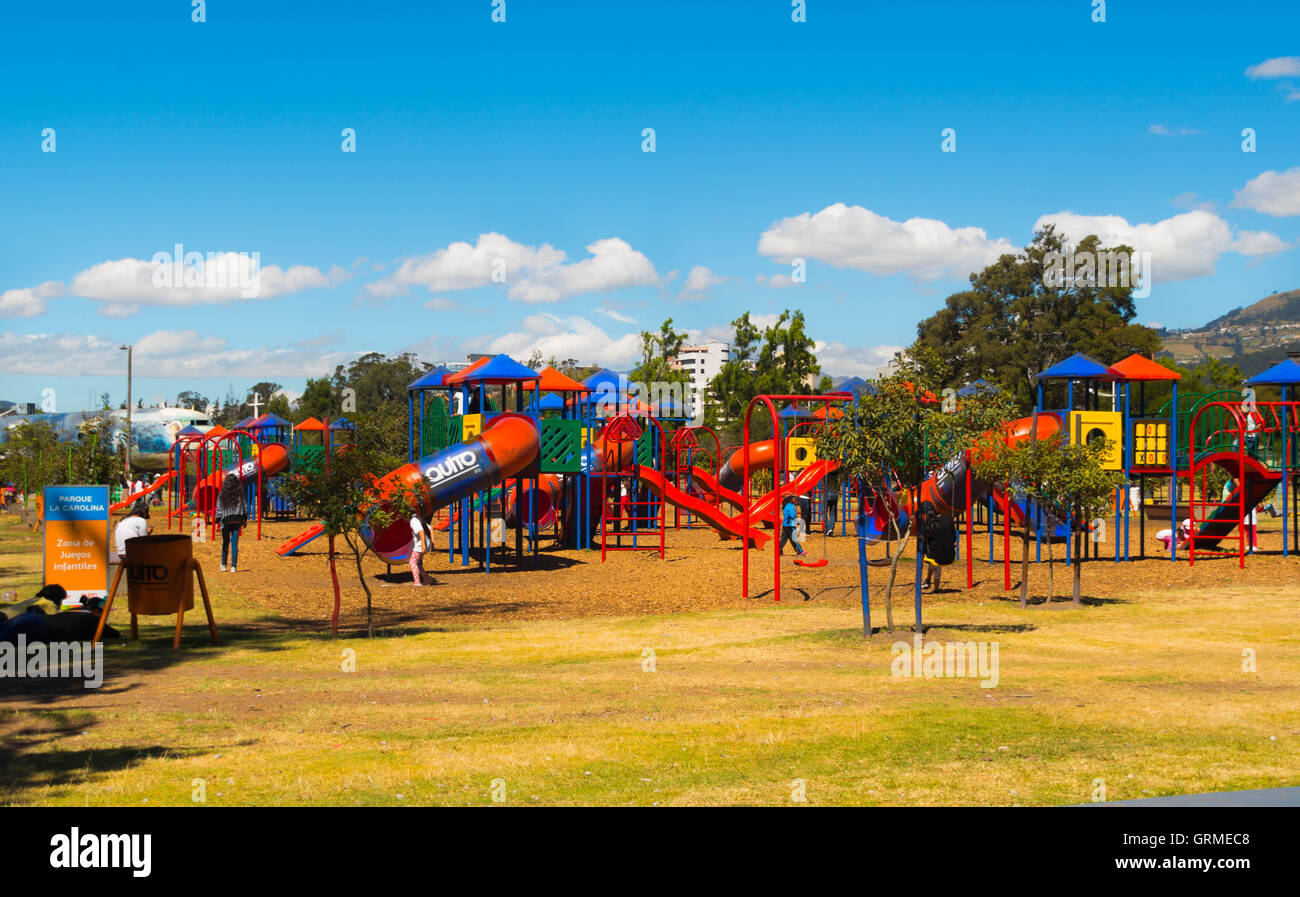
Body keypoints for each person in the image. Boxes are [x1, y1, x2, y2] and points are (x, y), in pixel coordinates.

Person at [919, 502, 957, 592]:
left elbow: (925, 545)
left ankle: (936, 589)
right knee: (934, 554)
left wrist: (922, 555)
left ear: (924, 514)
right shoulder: (948, 518)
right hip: (951, 555)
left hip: (940, 558)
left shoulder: (928, 525)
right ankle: (927, 580)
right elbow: (954, 536)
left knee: (935, 560)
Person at [214, 474, 247, 572]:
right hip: (237, 519)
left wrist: (217, 521)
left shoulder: (222, 494)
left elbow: (219, 509)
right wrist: (244, 519)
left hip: (226, 520)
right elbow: (244, 507)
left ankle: (223, 564)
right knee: (234, 543)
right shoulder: (240, 494)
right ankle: (233, 566)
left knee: (225, 542)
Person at [409, 509, 433, 586]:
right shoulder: (418, 519)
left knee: (412, 562)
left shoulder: (413, 521)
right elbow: (430, 528)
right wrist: (432, 541)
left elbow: (421, 531)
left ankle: (417, 582)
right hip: (425, 543)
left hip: (420, 545)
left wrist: (423, 545)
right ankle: (427, 578)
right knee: (417, 563)